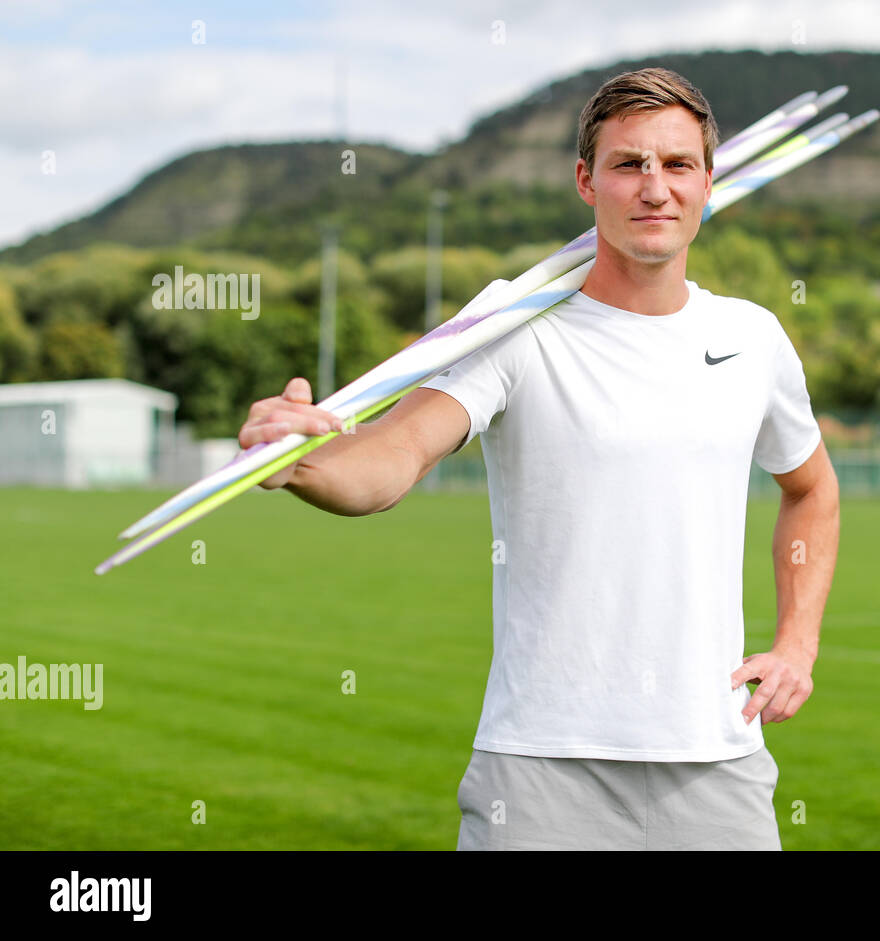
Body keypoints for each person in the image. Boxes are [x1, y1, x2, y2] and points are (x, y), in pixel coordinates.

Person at [237, 67, 839, 850]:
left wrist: (798, 642)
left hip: (716, 763)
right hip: (541, 771)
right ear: (587, 182)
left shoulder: (753, 338)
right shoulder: (514, 328)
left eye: (677, 164)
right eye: (629, 164)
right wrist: (301, 463)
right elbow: (393, 458)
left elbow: (812, 488)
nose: (655, 187)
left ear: (709, 182)